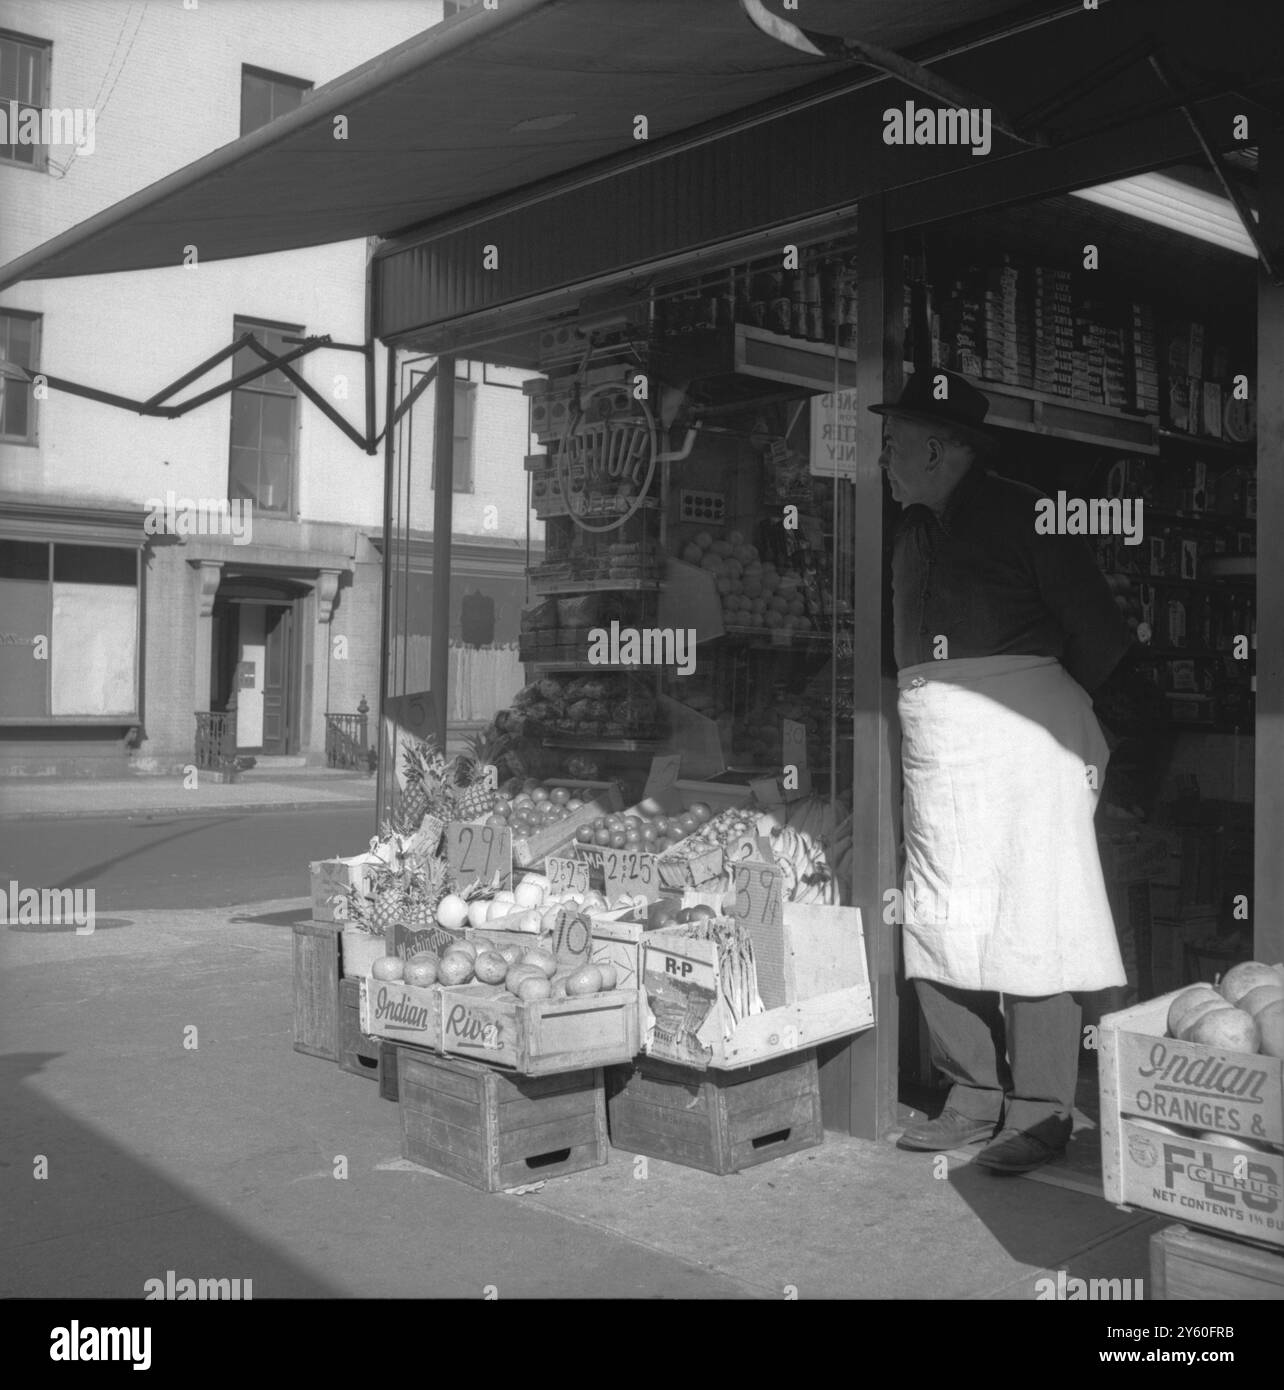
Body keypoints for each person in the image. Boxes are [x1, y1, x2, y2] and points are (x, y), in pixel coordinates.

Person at [872, 369, 1134, 1174]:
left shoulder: (1027, 514)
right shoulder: (911, 533)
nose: (882, 457)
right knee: (942, 912)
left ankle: (1042, 1108)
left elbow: (1099, 635)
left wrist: (1090, 737)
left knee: (1033, 917)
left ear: (940, 448)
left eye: (893, 444)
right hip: (941, 749)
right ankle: (972, 1094)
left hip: (1021, 748)